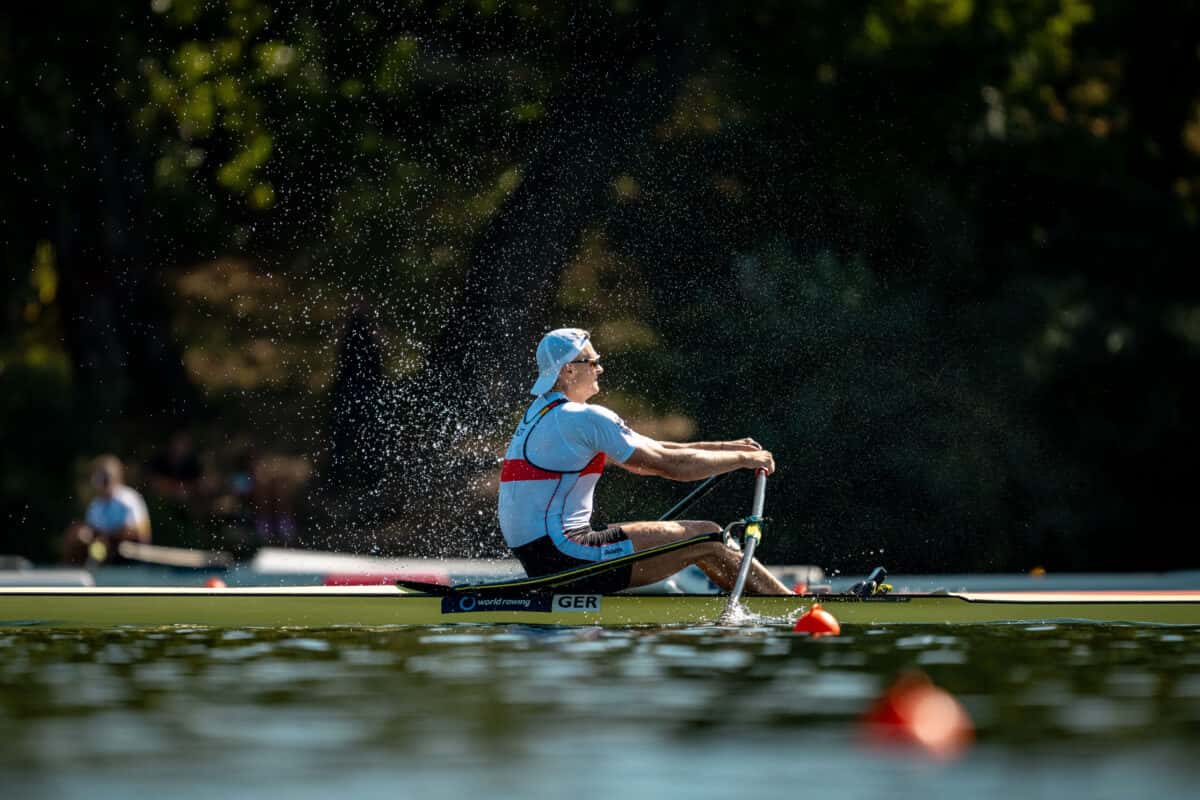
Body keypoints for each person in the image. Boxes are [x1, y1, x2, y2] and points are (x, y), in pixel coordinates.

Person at [498, 328, 791, 595]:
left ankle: (761, 602)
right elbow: (671, 466)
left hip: (543, 559)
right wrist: (743, 460)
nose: (600, 368)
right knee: (709, 537)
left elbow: (657, 447)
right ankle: (791, 607)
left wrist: (728, 448)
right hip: (570, 555)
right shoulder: (582, 418)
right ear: (569, 370)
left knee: (703, 539)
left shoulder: (540, 413)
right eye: (592, 361)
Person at [61, 455, 151, 565]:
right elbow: (93, 530)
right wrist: (84, 535)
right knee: (76, 536)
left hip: (127, 552)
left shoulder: (128, 498)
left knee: (101, 546)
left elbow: (140, 532)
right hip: (103, 550)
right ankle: (72, 572)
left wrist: (108, 537)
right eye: (97, 478)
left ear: (117, 477)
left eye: (104, 478)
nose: (100, 483)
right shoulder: (96, 504)